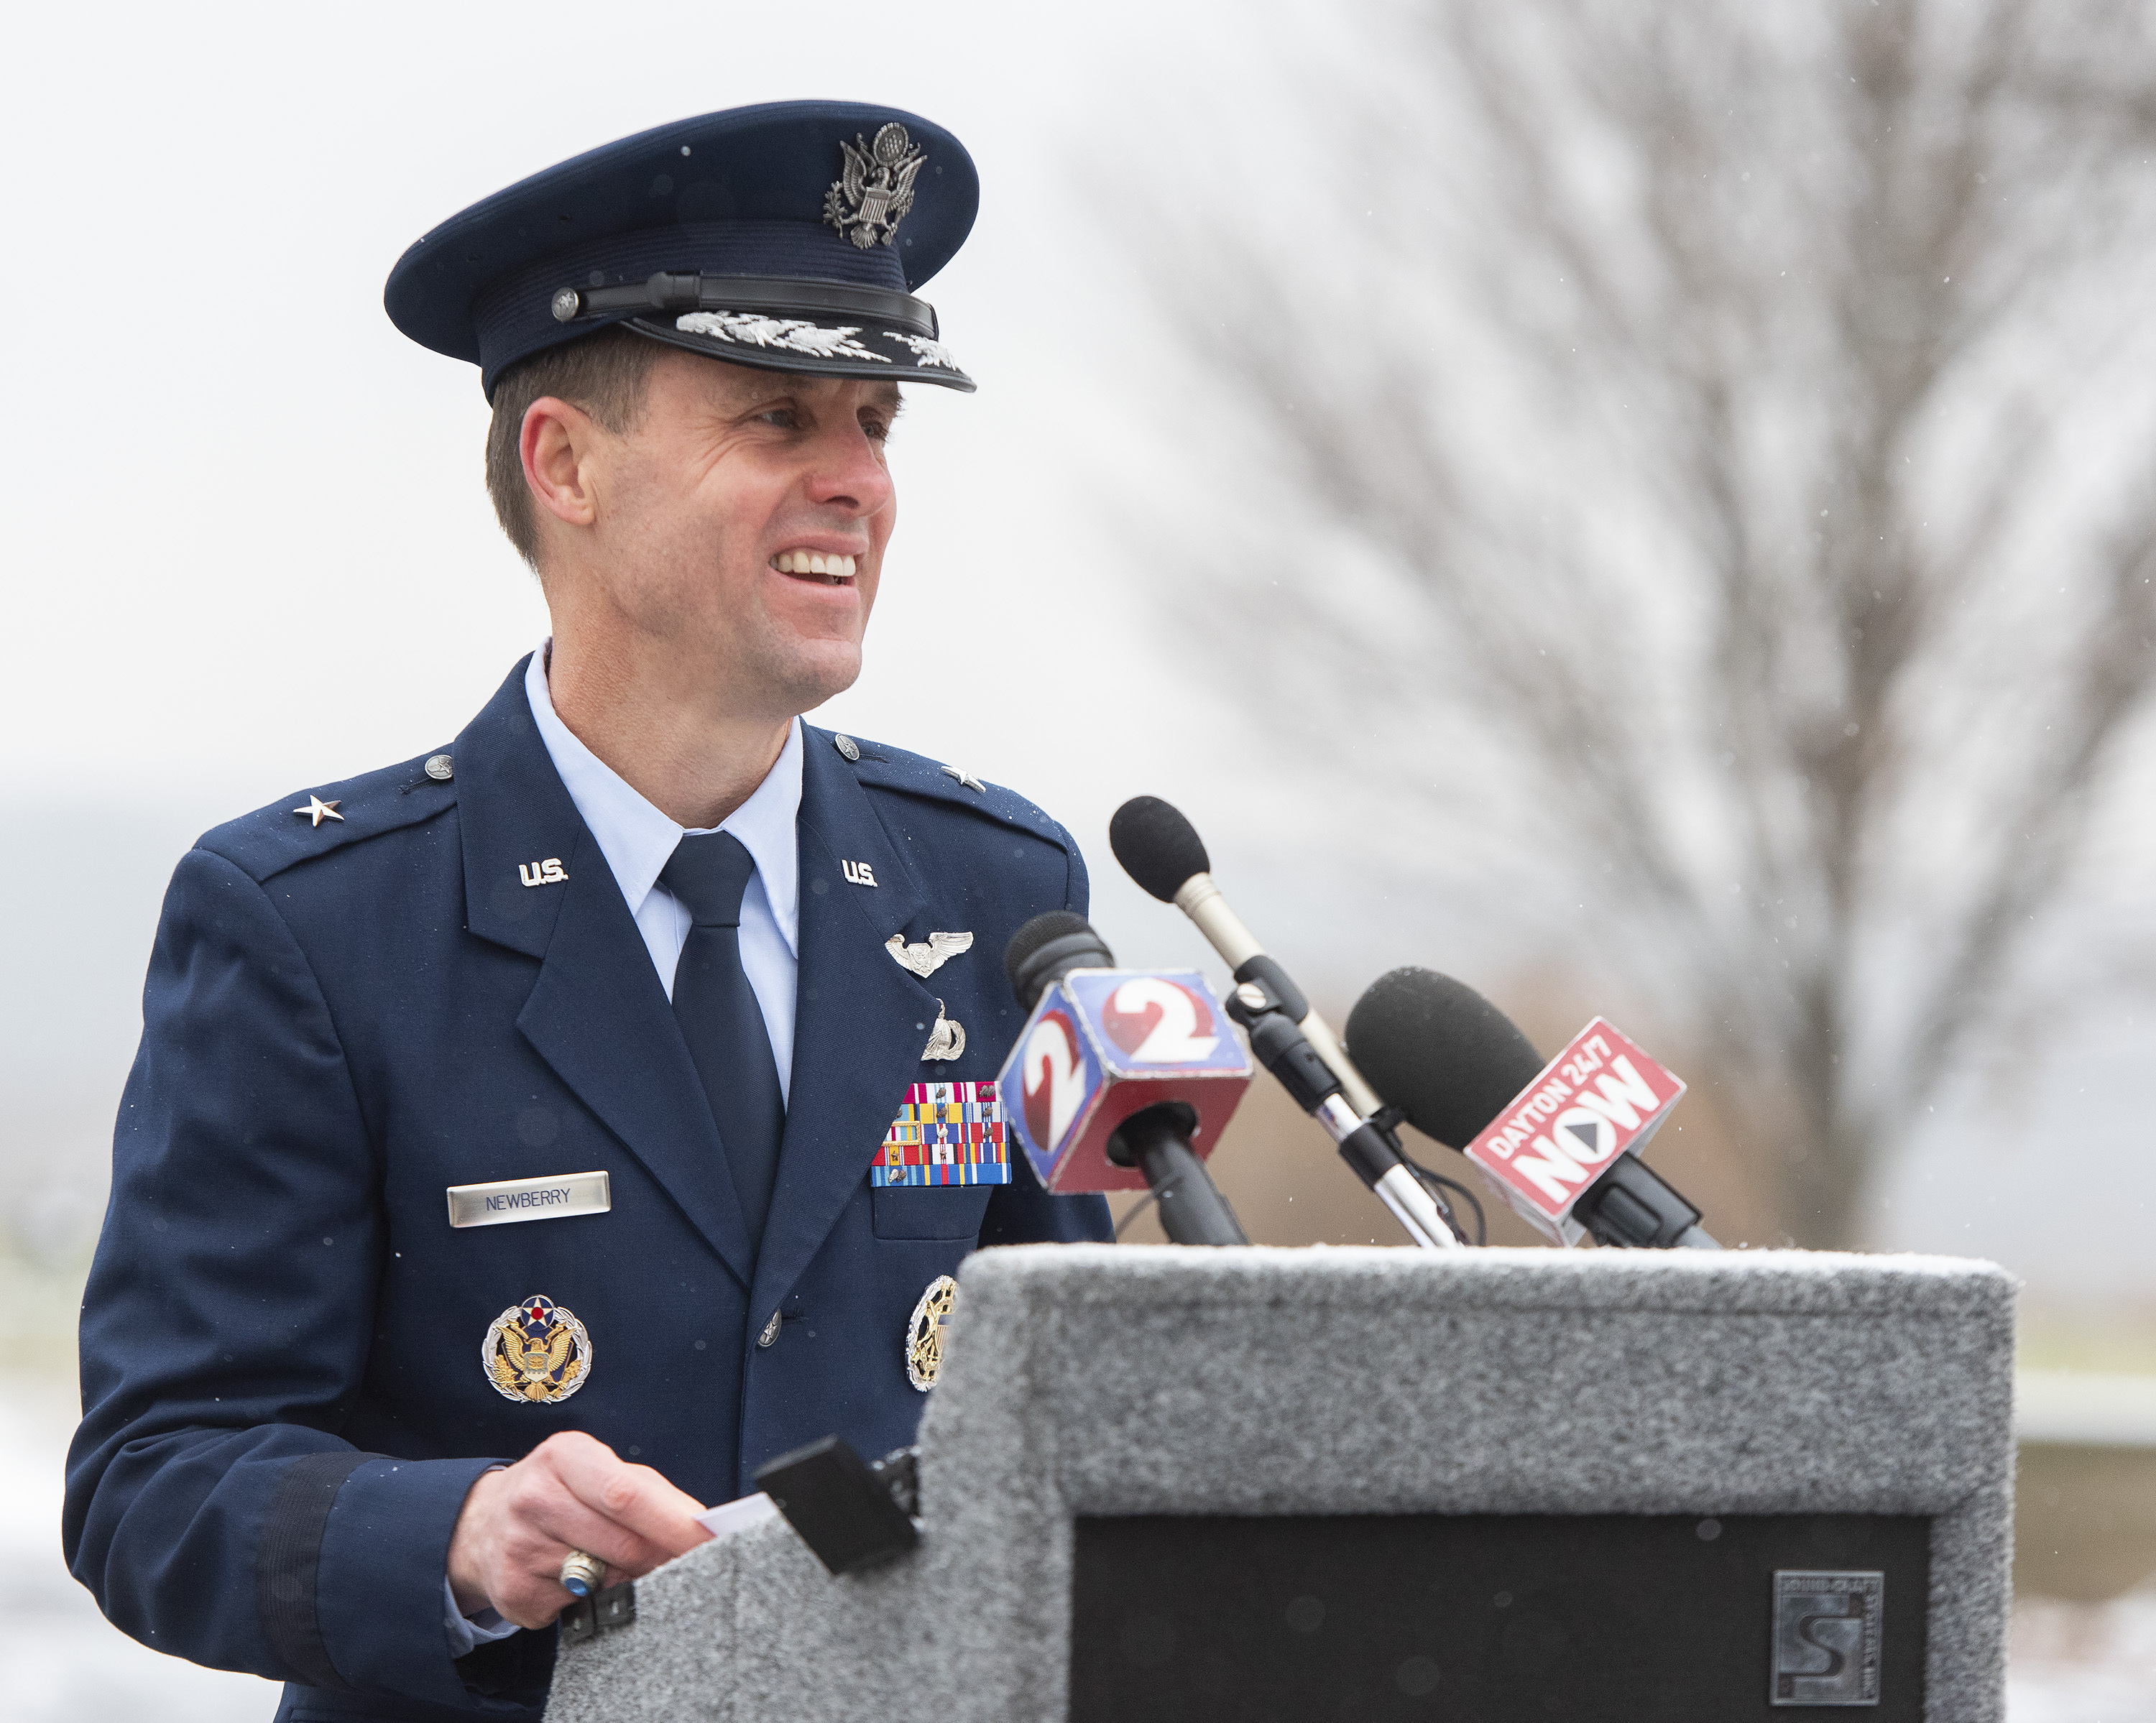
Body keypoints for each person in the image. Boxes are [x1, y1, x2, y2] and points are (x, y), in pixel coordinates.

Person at [63, 100, 1111, 1723]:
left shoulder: (995, 896)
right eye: (777, 420)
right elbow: (153, 1475)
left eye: (876, 424)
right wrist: (458, 1530)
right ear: (566, 464)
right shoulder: (313, 925)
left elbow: (1071, 1409)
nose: (857, 483)